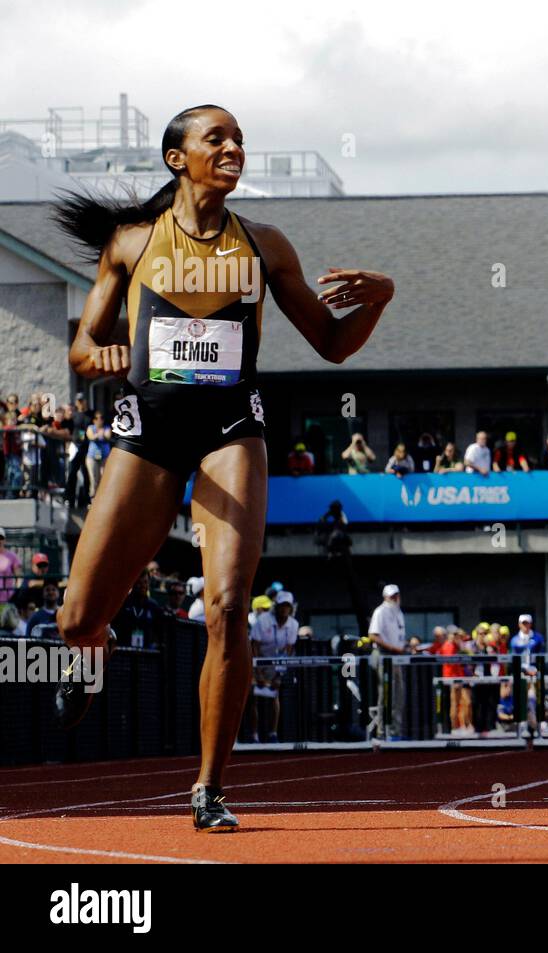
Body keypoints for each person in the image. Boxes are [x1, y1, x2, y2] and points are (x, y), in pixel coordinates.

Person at [50, 103, 394, 831]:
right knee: (76, 615)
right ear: (178, 158)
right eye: (217, 138)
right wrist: (103, 355)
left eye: (239, 138)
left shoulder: (264, 246)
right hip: (147, 431)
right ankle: (94, 646)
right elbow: (81, 348)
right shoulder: (132, 242)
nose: (234, 147)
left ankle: (209, 787)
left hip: (232, 429)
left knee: (229, 606)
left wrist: (381, 301)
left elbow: (332, 343)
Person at [250, 589, 298, 743]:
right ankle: (254, 735)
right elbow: (254, 646)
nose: (284, 609)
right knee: (254, 698)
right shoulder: (263, 620)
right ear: (276, 606)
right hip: (256, 660)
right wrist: (258, 674)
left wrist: (279, 674)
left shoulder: (294, 624)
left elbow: (288, 650)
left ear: (291, 608)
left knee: (274, 697)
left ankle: (273, 733)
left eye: (287, 606)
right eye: (281, 605)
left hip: (275, 663)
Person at [367, 584, 411, 739]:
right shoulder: (381, 611)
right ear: (385, 597)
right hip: (384, 655)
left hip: (396, 657)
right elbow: (373, 635)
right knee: (386, 695)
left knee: (399, 695)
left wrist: (406, 646)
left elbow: (399, 636)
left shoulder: (399, 612)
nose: (395, 598)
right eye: (392, 596)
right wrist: (393, 648)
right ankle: (382, 733)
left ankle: (395, 732)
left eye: (397, 595)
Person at [114, 571, 171, 649]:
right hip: (124, 651)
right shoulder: (122, 603)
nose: (143, 585)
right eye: (139, 582)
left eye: (145, 582)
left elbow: (160, 633)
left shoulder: (153, 606)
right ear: (133, 583)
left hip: (145, 653)